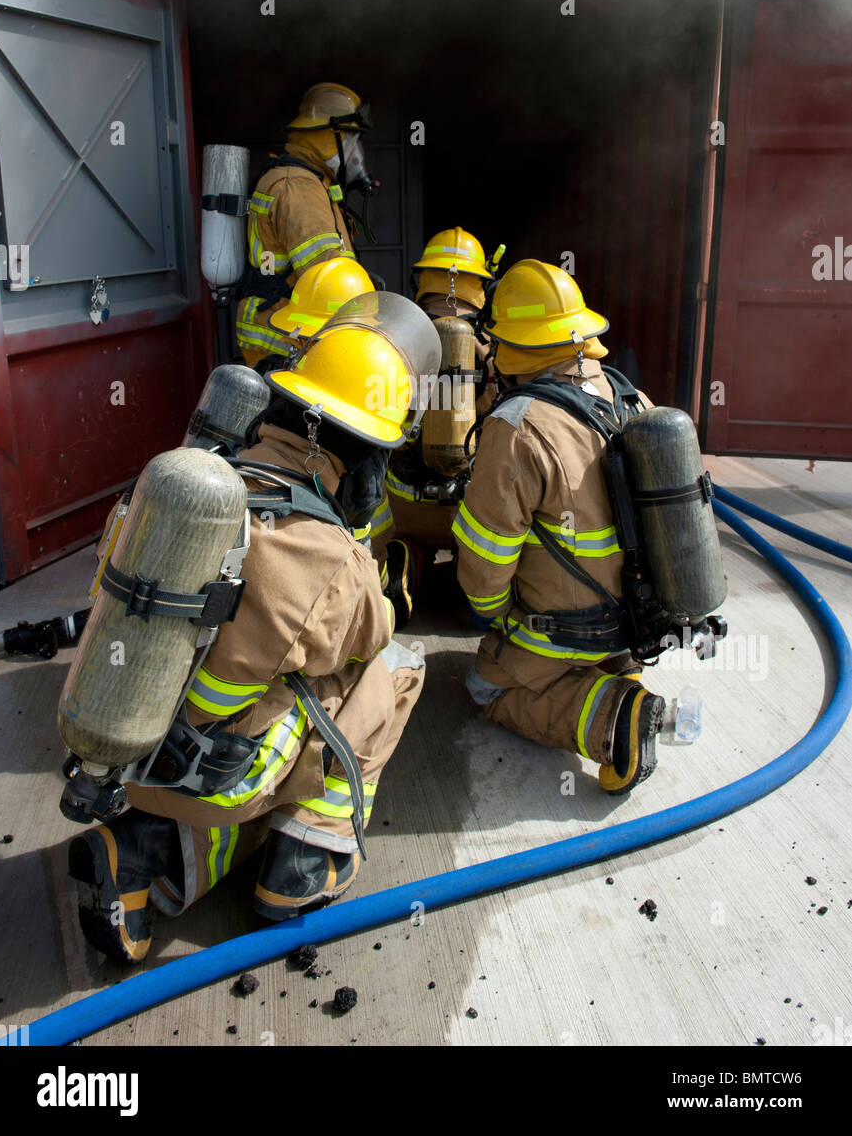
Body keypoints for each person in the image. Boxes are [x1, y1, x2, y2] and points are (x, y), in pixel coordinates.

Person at [67, 296, 439, 964]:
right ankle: (306, 863)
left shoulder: (173, 488)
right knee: (395, 671)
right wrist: (385, 598)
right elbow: (366, 638)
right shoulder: (328, 555)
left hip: (115, 743)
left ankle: (142, 849)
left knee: (264, 679)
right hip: (211, 777)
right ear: (354, 451)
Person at [453, 259, 666, 795]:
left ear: (517, 344)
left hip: (562, 633)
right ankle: (620, 670)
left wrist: (495, 620)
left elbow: (486, 561)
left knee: (482, 687)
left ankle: (615, 719)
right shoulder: (635, 400)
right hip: (637, 620)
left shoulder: (517, 424)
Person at [371, 228, 498, 624]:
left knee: (398, 527)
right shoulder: (500, 348)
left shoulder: (392, 341)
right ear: (481, 288)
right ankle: (473, 582)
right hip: (468, 514)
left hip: (402, 505)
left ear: (421, 282)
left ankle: (405, 556)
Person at [235, 83, 372, 367]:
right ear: (329, 136)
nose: (356, 151)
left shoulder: (310, 181)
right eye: (351, 139)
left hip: (292, 337)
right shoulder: (298, 186)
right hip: (285, 342)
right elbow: (325, 274)